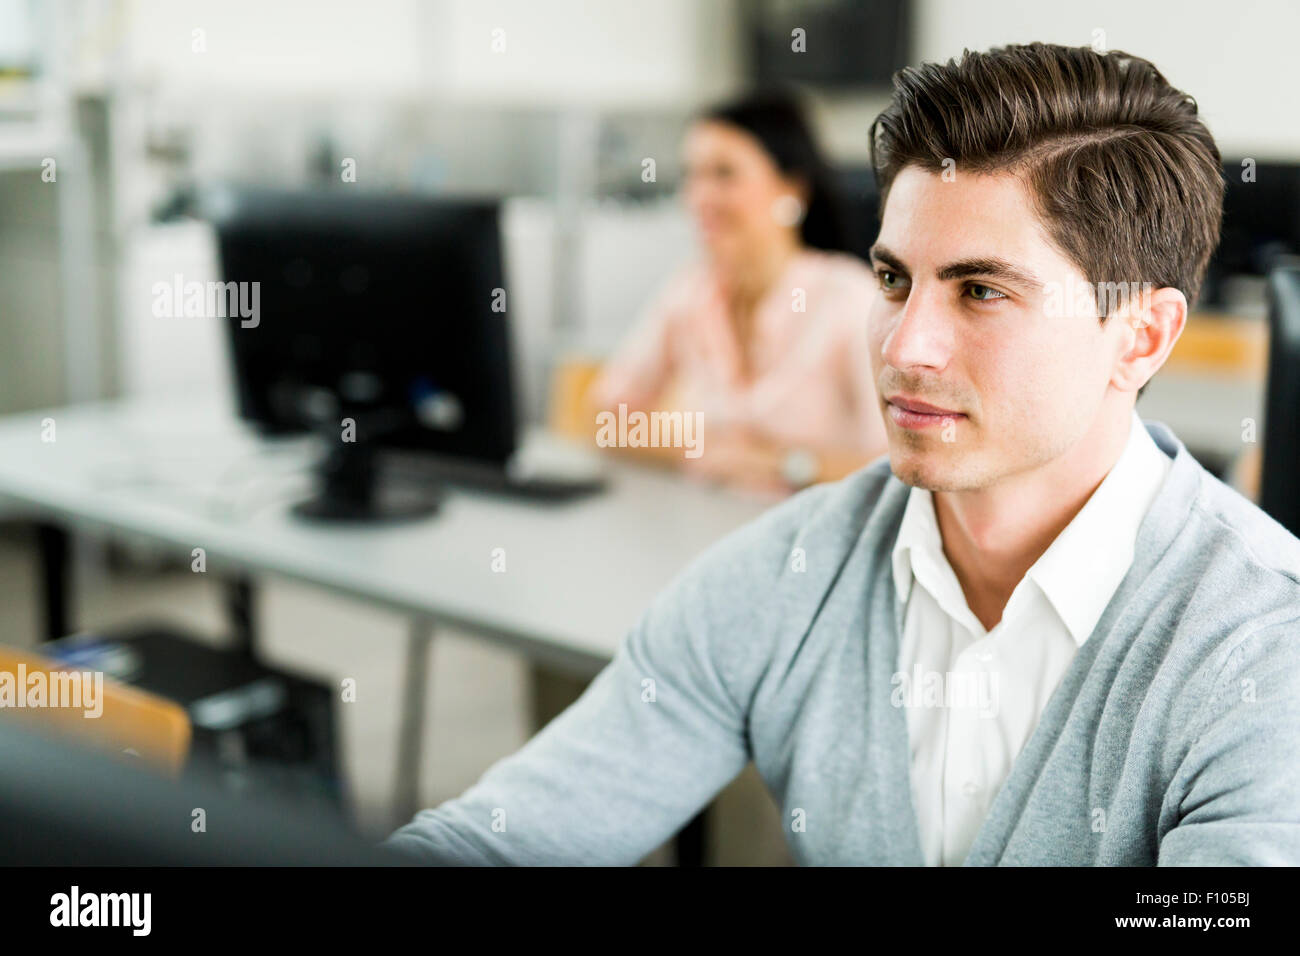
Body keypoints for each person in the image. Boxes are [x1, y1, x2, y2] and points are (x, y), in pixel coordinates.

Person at [387, 43, 1300, 865]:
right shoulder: (782, 578)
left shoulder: (1261, 647)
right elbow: (502, 837)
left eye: (980, 291)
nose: (904, 345)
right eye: (894, 279)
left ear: (1141, 337)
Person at [588, 91, 888, 495]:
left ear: (792, 189)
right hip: (711, 522)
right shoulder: (691, 291)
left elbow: (899, 467)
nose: (699, 197)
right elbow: (605, 419)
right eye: (692, 175)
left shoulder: (849, 300)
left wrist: (786, 463)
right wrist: (702, 448)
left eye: (724, 174)